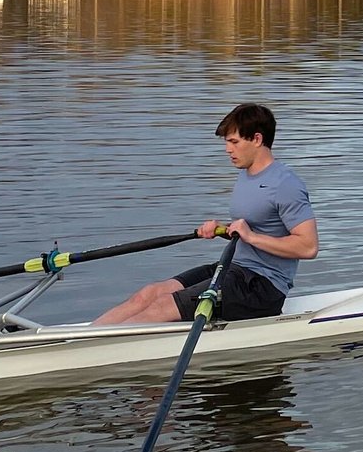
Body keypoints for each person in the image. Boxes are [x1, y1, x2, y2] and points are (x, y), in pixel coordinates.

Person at [95, 104, 318, 325]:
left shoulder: (285, 184)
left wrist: (251, 236)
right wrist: (223, 229)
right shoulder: (246, 174)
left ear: (257, 139)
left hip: (261, 287)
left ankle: (106, 345)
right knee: (149, 294)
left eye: (234, 142)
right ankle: (82, 338)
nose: (228, 150)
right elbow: (253, 228)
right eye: (227, 142)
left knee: (163, 306)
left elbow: (308, 247)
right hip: (234, 268)